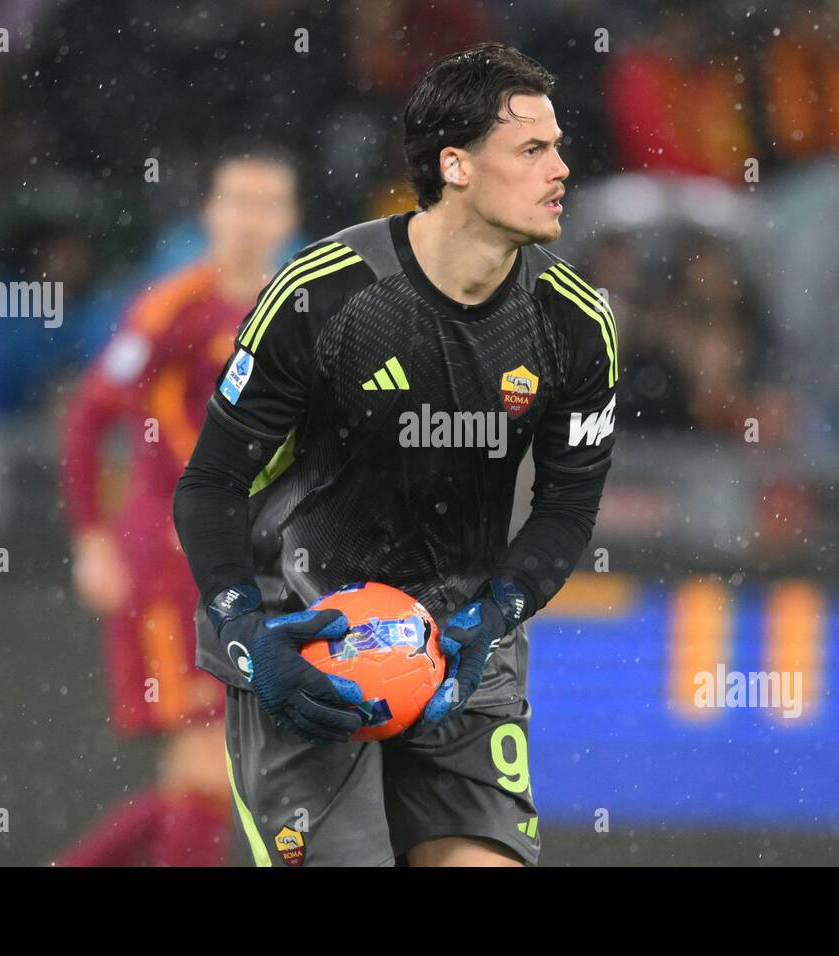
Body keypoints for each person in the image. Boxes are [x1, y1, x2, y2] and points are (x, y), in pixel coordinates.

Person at [174, 42, 619, 867]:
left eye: (557, 146)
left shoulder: (573, 323)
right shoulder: (323, 295)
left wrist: (496, 616)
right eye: (532, 149)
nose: (562, 168)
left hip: (459, 645)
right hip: (305, 639)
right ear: (455, 165)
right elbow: (209, 484)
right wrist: (249, 635)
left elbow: (565, 509)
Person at [57, 149, 300, 865]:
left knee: (202, 780)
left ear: (289, 220)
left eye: (268, 205)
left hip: (239, 568)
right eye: (238, 201)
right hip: (165, 561)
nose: (251, 220)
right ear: (210, 213)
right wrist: (91, 539)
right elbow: (87, 419)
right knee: (206, 767)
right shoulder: (170, 308)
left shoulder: (290, 317)